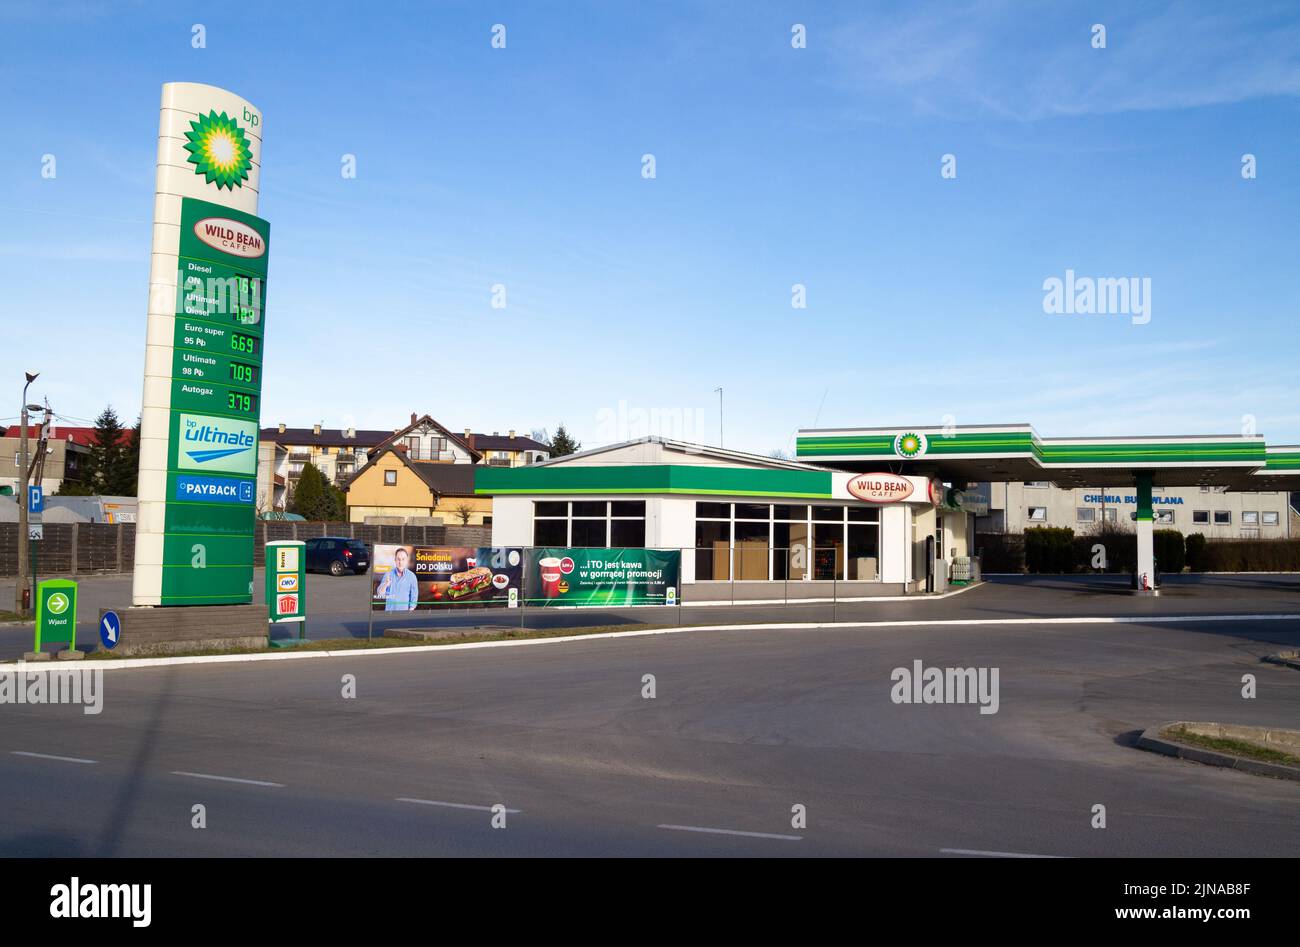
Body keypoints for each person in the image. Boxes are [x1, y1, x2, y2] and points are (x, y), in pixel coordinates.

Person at [375, 546, 419, 611]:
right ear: (395, 560)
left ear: (406, 560)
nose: (400, 562)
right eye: (398, 559)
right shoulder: (388, 574)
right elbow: (380, 593)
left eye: (403, 559)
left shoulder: (412, 576)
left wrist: (410, 610)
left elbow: (414, 597)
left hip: (404, 614)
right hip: (389, 614)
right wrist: (386, 584)